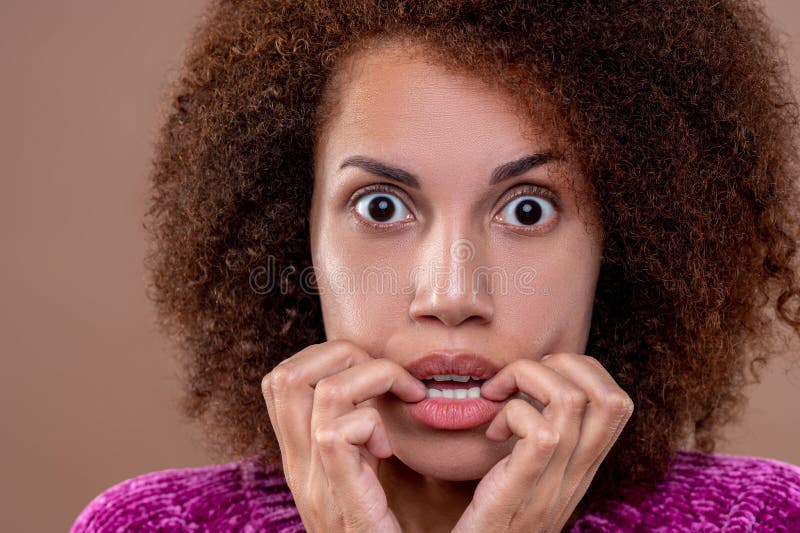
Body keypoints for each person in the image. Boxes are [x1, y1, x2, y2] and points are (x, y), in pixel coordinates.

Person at [71, 0, 800, 531]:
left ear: (627, 243)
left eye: (528, 209)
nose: (453, 294)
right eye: (382, 207)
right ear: (297, 235)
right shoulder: (149, 524)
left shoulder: (766, 520)